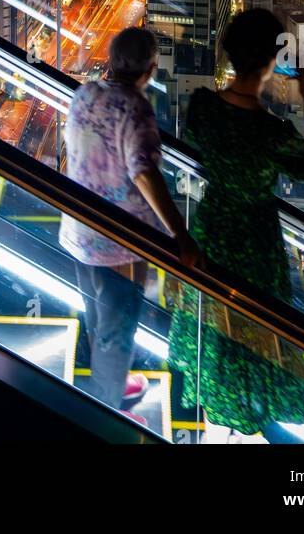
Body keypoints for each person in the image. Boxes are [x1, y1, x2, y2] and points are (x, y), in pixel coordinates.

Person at [168, 9, 304, 443]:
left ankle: (217, 417)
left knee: (215, 321)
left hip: (214, 227)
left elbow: (201, 138)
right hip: (257, 240)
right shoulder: (270, 131)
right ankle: (244, 421)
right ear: (272, 62)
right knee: (255, 331)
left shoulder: (202, 107)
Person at [60, 26, 201, 413]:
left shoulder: (85, 93)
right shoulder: (135, 108)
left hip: (78, 228)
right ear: (151, 68)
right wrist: (180, 234)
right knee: (118, 323)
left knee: (97, 313)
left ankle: (110, 382)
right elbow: (143, 172)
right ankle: (105, 406)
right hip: (119, 241)